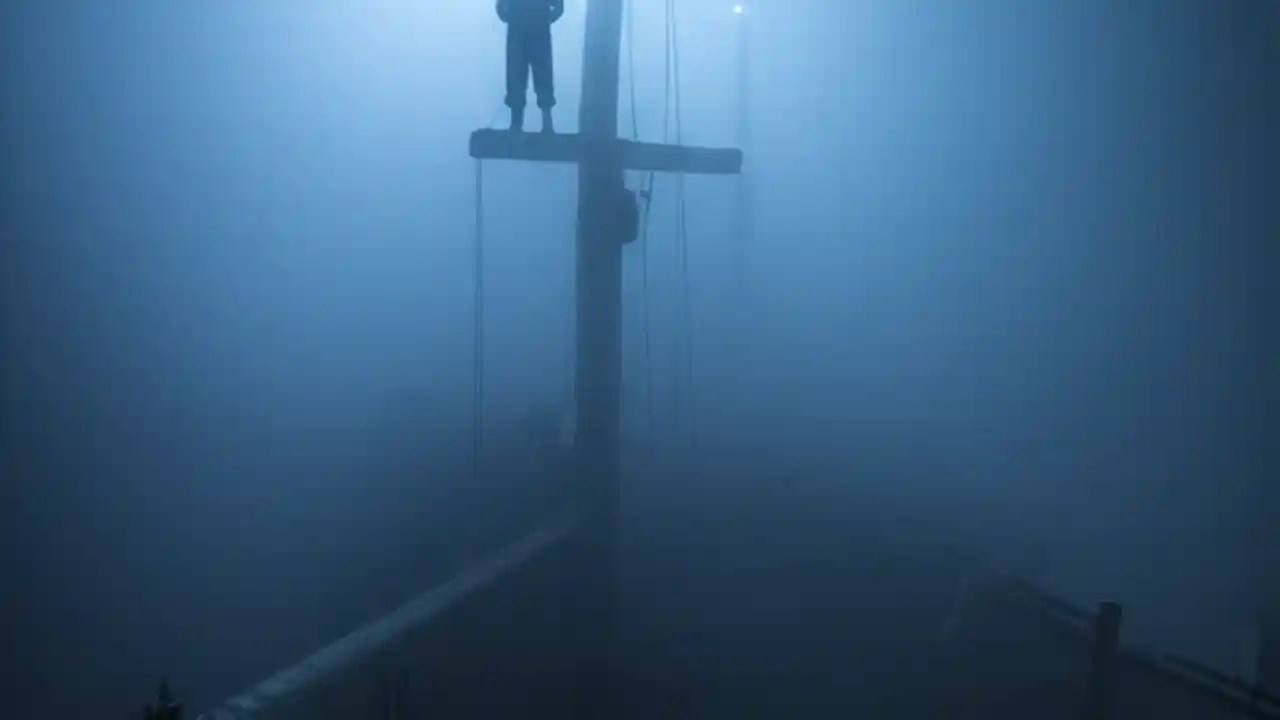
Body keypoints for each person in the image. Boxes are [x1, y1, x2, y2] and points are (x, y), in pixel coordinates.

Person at [496, 0, 564, 133]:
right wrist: (546, 18)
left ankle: (518, 123)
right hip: (534, 28)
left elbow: (500, 8)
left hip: (522, 28)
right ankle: (542, 122)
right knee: (537, 75)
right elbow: (559, 8)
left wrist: (509, 16)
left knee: (520, 75)